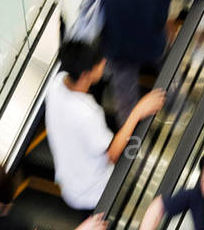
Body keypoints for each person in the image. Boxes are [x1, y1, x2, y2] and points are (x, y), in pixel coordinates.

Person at [44, 40, 165, 212]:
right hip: (94, 195)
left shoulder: (56, 84)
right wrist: (137, 111)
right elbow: (113, 154)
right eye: (99, 63)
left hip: (69, 186)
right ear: (86, 74)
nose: (104, 63)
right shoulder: (87, 114)